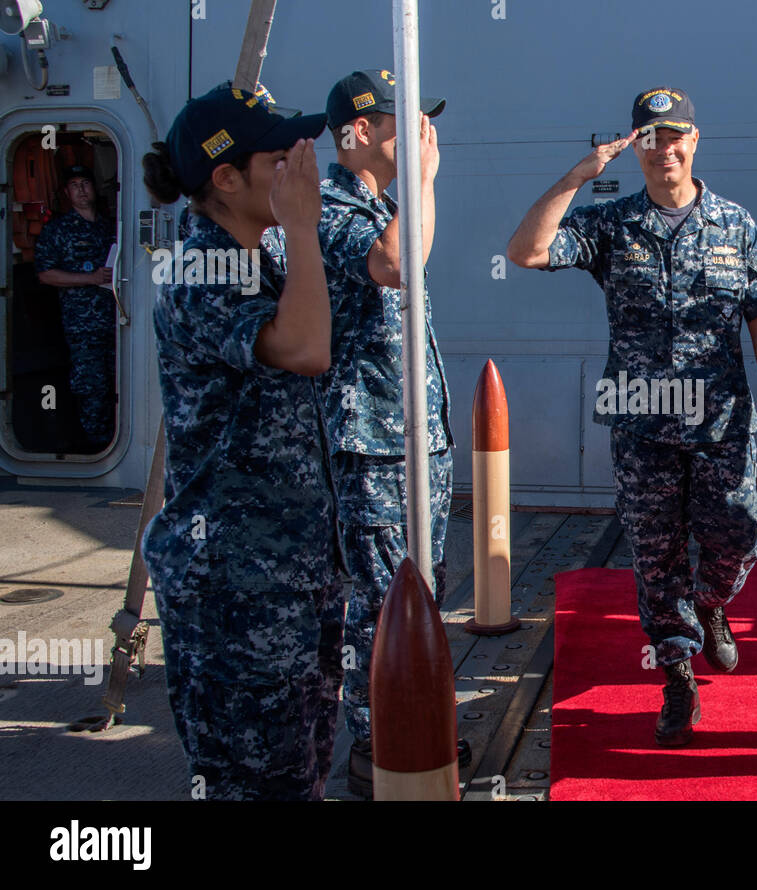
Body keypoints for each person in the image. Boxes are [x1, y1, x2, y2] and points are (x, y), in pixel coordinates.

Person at [507, 86, 757, 747]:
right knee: (655, 556)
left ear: (695, 141)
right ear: (633, 145)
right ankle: (677, 676)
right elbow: (526, 251)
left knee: (739, 536)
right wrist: (576, 178)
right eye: (649, 137)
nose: (663, 148)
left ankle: (714, 605)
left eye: (674, 136)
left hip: (720, 421)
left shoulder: (737, 226)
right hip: (641, 427)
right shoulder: (610, 225)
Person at [141, 82, 345, 800]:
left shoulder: (257, 257)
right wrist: (302, 227)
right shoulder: (201, 270)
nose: (297, 164)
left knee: (299, 771)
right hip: (233, 580)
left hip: (288, 568)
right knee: (253, 783)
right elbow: (305, 347)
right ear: (225, 179)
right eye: (276, 156)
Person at [317, 69, 467, 797]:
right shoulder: (332, 203)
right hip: (370, 442)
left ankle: (412, 721)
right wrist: (424, 182)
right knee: (381, 602)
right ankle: (378, 744)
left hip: (412, 437)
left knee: (420, 587)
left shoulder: (383, 201)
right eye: (409, 121)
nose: (425, 136)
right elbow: (397, 266)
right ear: (363, 131)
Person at [34, 165, 117, 452]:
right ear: (67, 193)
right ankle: (95, 447)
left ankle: (113, 441)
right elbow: (45, 274)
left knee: (117, 383)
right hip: (84, 326)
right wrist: (90, 279)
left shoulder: (110, 227)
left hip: (118, 320)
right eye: (74, 185)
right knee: (91, 387)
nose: (81, 189)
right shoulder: (58, 230)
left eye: (85, 183)